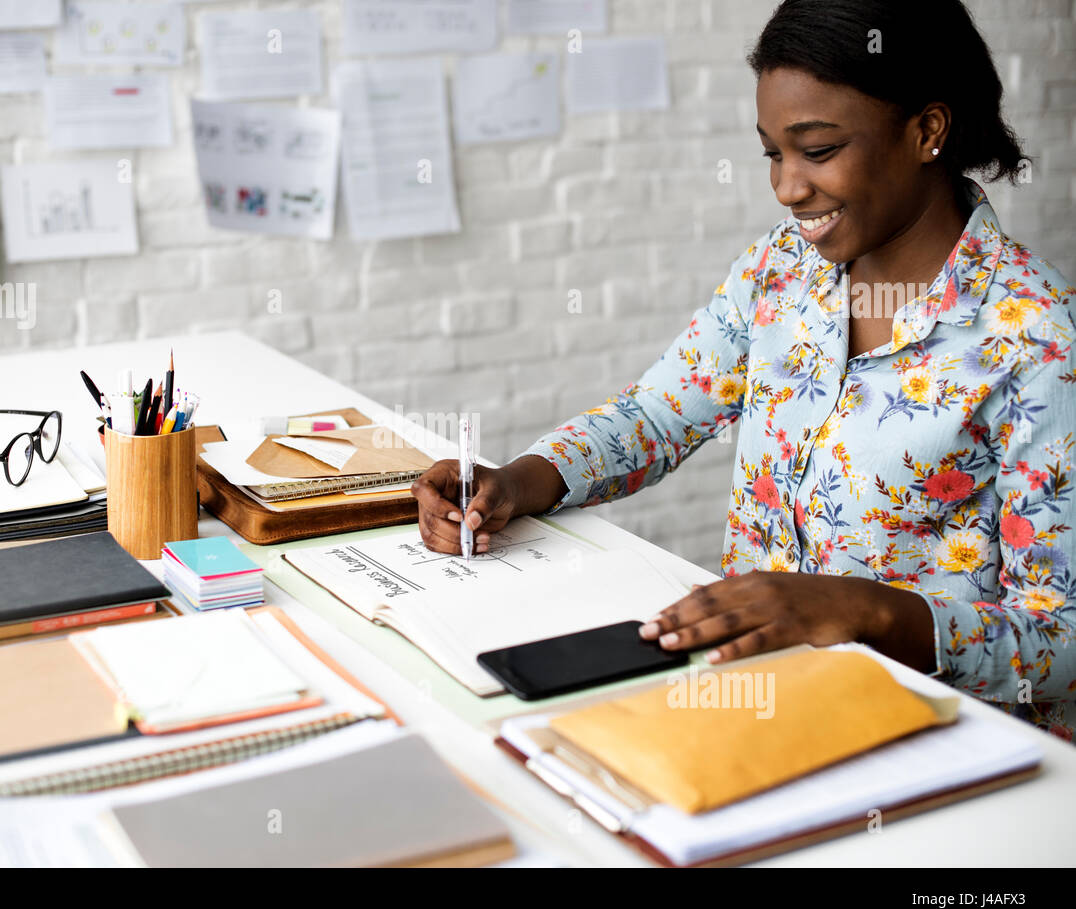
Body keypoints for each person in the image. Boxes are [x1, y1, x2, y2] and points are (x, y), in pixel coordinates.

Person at [411, 0, 1076, 741]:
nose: (788, 188)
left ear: (928, 131)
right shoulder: (779, 272)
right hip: (761, 708)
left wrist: (864, 609)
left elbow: (1061, 639)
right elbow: (656, 417)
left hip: (940, 744)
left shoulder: (1037, 338)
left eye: (817, 150)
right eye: (771, 153)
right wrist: (514, 483)